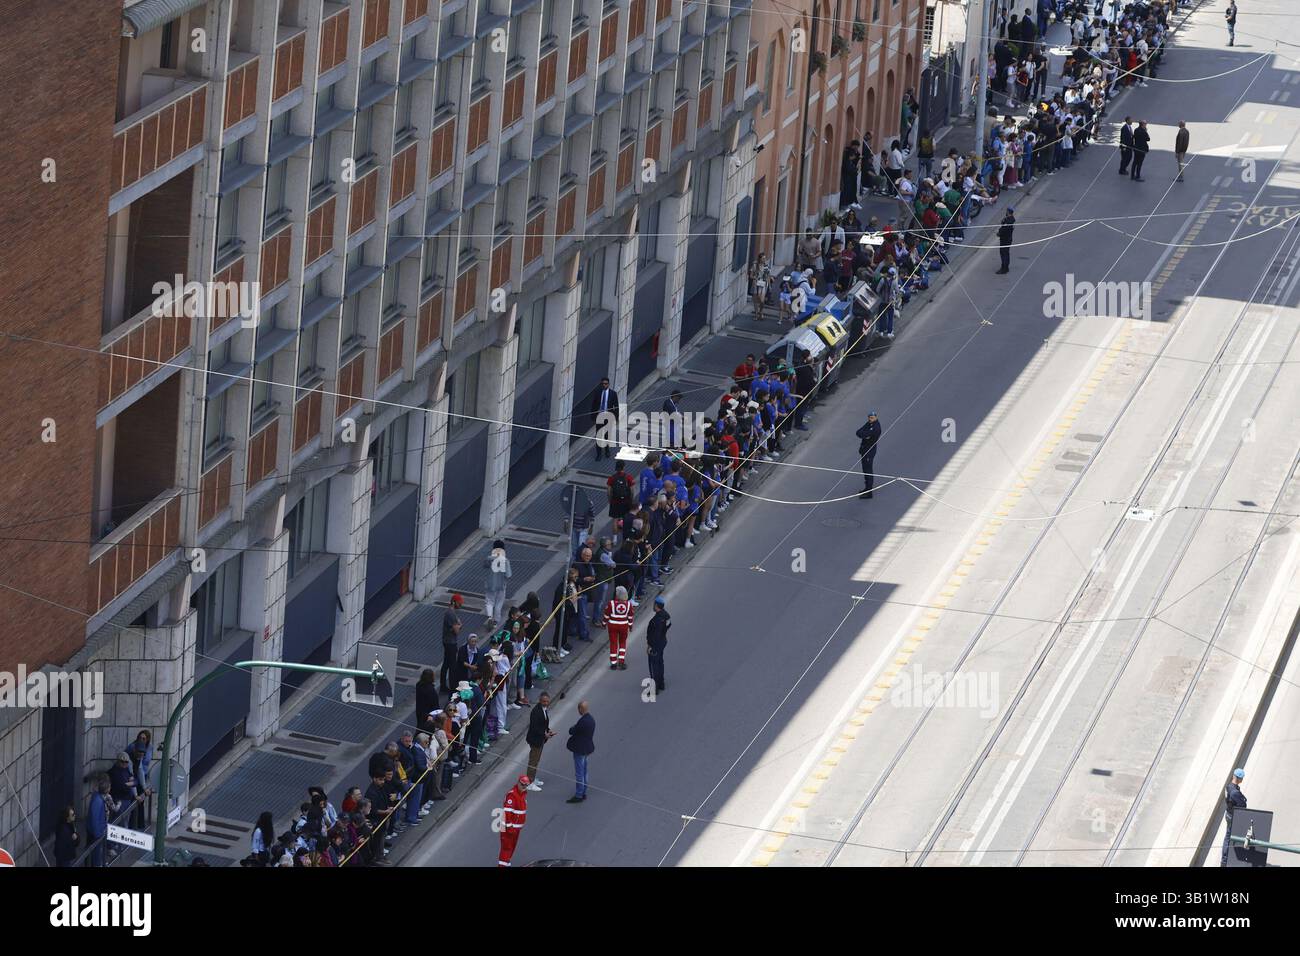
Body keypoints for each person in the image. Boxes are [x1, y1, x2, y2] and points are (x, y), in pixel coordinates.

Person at [566, 701, 596, 803]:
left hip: (580, 750)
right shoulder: (591, 719)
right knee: (584, 771)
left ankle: (579, 794)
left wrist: (573, 727)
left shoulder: (582, 722)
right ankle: (583, 792)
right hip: (587, 748)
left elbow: (572, 731)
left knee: (579, 773)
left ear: (580, 709)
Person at [498, 775, 530, 866]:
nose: (524, 787)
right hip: (509, 829)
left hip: (515, 829)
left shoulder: (522, 794)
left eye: (526, 785)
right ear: (518, 782)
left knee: (511, 848)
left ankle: (506, 863)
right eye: (522, 784)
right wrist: (510, 828)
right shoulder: (512, 796)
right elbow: (507, 814)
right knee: (506, 849)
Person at [525, 692, 555, 788]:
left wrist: (548, 730)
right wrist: (544, 734)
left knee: (536, 760)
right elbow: (534, 727)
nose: (546, 703)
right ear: (540, 701)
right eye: (544, 701)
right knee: (533, 760)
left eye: (547, 701)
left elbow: (543, 724)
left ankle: (532, 778)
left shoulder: (544, 709)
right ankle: (529, 782)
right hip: (535, 740)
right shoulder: (536, 712)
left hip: (540, 739)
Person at [603, 584, 635, 670]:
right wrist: (631, 626)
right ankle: (621, 661)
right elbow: (630, 616)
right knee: (622, 643)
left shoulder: (611, 603)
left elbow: (606, 614)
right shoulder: (629, 604)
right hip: (624, 626)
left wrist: (604, 623)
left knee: (613, 643)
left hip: (612, 625)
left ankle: (613, 663)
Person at [1222, 768, 1247, 866]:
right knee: (1229, 837)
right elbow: (1243, 804)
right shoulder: (1235, 792)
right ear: (1240, 779)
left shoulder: (1228, 786)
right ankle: (1225, 860)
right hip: (1233, 816)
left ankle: (1225, 859)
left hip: (1228, 813)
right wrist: (1244, 799)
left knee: (1228, 837)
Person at [483, 540, 511, 626]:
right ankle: (496, 621)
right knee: (499, 602)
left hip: (490, 584)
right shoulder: (505, 561)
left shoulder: (489, 558)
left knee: (489, 601)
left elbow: (485, 566)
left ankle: (489, 617)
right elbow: (508, 575)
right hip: (501, 585)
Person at [646, 594, 671, 693]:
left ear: (656, 605)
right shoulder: (667, 615)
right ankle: (661, 683)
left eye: (654, 604)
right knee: (660, 662)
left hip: (655, 645)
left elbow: (654, 635)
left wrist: (650, 646)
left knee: (653, 666)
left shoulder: (655, 621)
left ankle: (654, 688)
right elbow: (668, 625)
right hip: (663, 641)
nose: (653, 606)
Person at [590, 377, 619, 459]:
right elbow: (594, 404)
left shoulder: (613, 394)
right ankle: (599, 454)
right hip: (599, 416)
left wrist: (616, 418)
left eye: (606, 384)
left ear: (608, 384)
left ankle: (607, 450)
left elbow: (616, 407)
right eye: (603, 384)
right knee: (598, 436)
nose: (604, 385)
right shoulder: (598, 392)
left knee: (607, 435)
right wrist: (593, 416)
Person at [440, 593, 464, 691]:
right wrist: (459, 626)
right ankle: (452, 686)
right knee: (452, 665)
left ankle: (443, 685)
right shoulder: (451, 614)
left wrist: (458, 625)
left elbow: (458, 625)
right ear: (454, 602)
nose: (461, 605)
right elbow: (457, 630)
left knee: (446, 663)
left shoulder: (449, 613)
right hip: (451, 643)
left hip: (447, 641)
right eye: (459, 603)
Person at [855, 412, 881, 499]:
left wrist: (865, 435)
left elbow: (863, 434)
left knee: (868, 471)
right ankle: (867, 488)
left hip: (869, 451)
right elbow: (858, 432)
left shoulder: (876, 428)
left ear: (876, 417)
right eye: (869, 417)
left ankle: (869, 492)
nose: (870, 419)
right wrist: (865, 435)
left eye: (872, 417)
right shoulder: (869, 423)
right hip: (864, 450)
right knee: (865, 470)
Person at [996, 207, 1015, 274]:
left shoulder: (1009, 221)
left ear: (1009, 212)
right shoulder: (1010, 219)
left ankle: (1004, 268)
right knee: (1006, 253)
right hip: (1007, 239)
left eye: (1007, 211)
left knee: (1004, 253)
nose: (1006, 212)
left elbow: (1004, 229)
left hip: (1005, 239)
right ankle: (1006, 267)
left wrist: (999, 233)